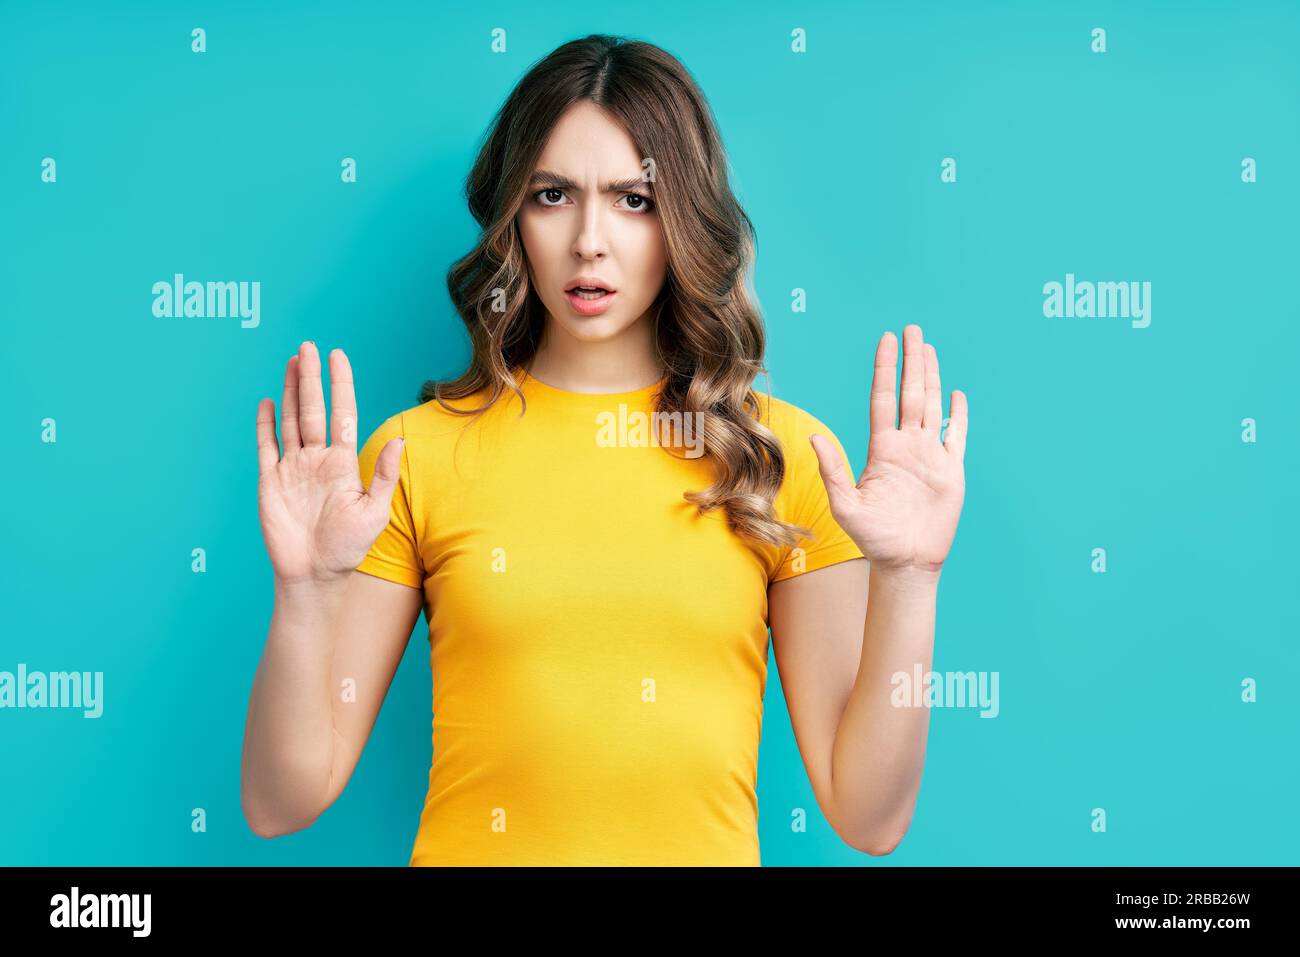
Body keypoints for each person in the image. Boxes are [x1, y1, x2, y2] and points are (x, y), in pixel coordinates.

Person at [241, 34, 968, 866]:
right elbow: (279, 800)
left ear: (684, 219)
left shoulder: (780, 457)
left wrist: (910, 581)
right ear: (514, 214)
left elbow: (867, 817)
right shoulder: (414, 456)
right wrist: (303, 593)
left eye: (633, 199)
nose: (589, 239)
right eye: (553, 195)